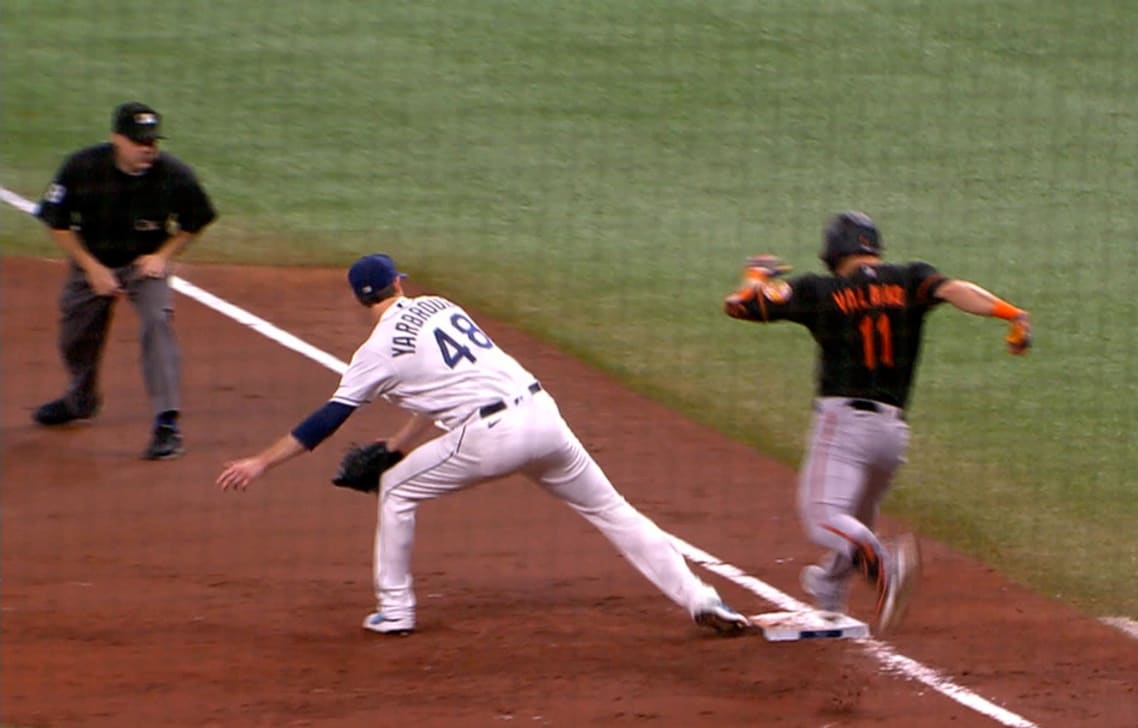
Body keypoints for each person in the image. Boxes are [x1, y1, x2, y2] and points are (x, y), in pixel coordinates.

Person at [216, 253, 753, 638]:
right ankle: (701, 598)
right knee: (613, 510)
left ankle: (395, 611)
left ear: (362, 299)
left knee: (397, 492)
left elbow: (327, 419)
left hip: (493, 435)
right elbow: (444, 384)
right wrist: (401, 443)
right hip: (545, 416)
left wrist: (261, 462)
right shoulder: (441, 306)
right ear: (398, 284)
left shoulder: (375, 350)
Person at [723, 211, 1032, 633]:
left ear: (833, 253)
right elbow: (957, 290)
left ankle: (887, 565)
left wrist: (757, 275)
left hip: (843, 425)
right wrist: (1011, 314)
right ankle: (829, 595)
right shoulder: (910, 280)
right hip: (892, 436)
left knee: (824, 516)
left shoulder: (820, 289)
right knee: (857, 519)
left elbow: (741, 307)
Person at [32, 101, 218, 460]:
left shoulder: (173, 175)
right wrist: (91, 268)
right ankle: (80, 400)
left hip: (143, 264)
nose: (147, 149)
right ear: (116, 139)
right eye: (138, 142)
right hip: (92, 261)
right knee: (76, 336)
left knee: (157, 322)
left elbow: (197, 220)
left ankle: (167, 425)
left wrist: (162, 256)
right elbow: (56, 221)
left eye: (151, 141)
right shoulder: (83, 168)